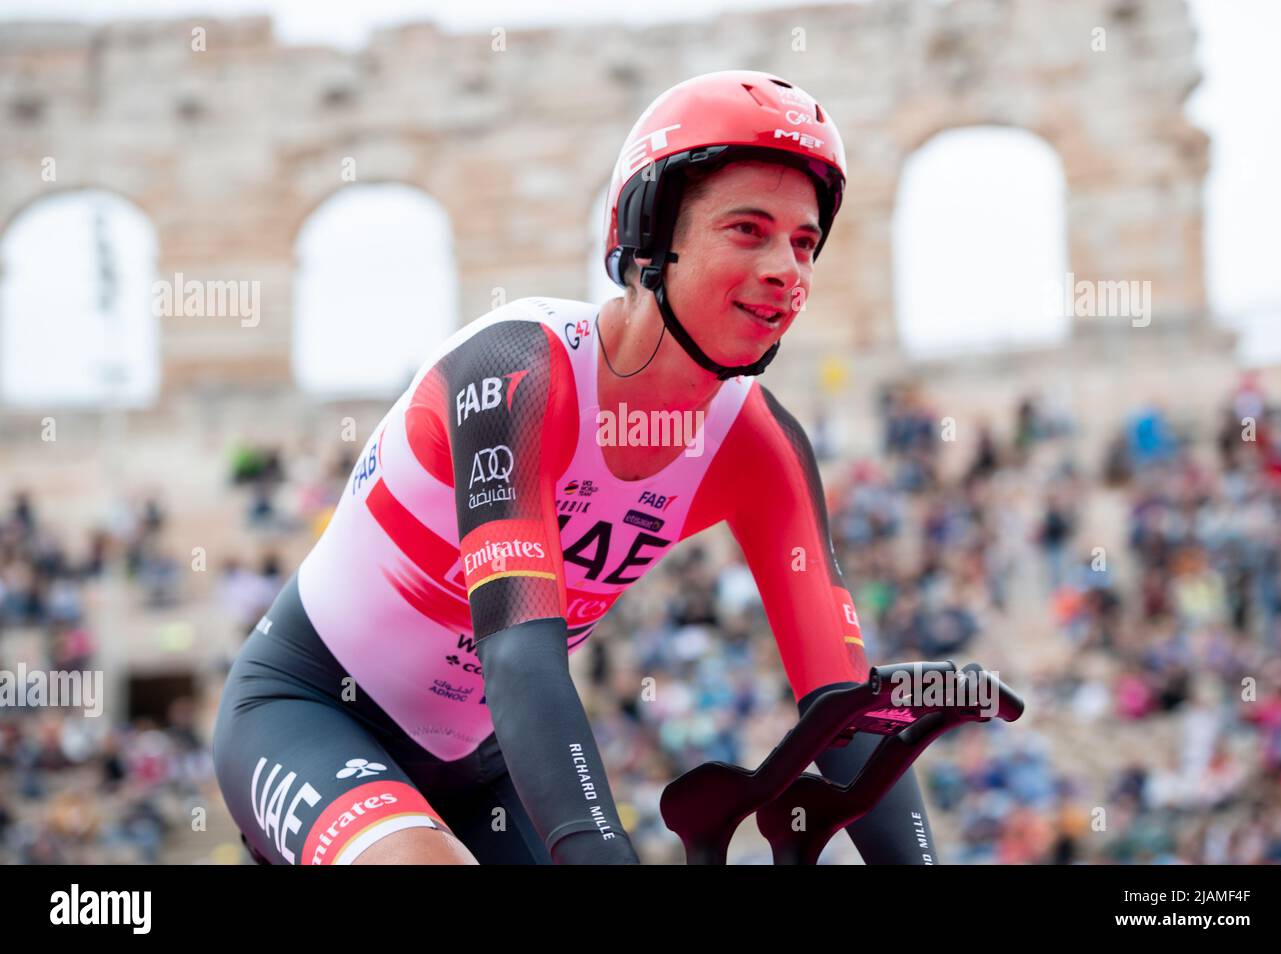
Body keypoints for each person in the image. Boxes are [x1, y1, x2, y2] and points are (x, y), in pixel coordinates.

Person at [212, 70, 937, 865]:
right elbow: (520, 652)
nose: (786, 270)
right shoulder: (518, 370)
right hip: (310, 711)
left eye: (804, 243)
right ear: (648, 238)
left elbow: (843, 711)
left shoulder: (762, 444)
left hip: (489, 761)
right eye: (748, 230)